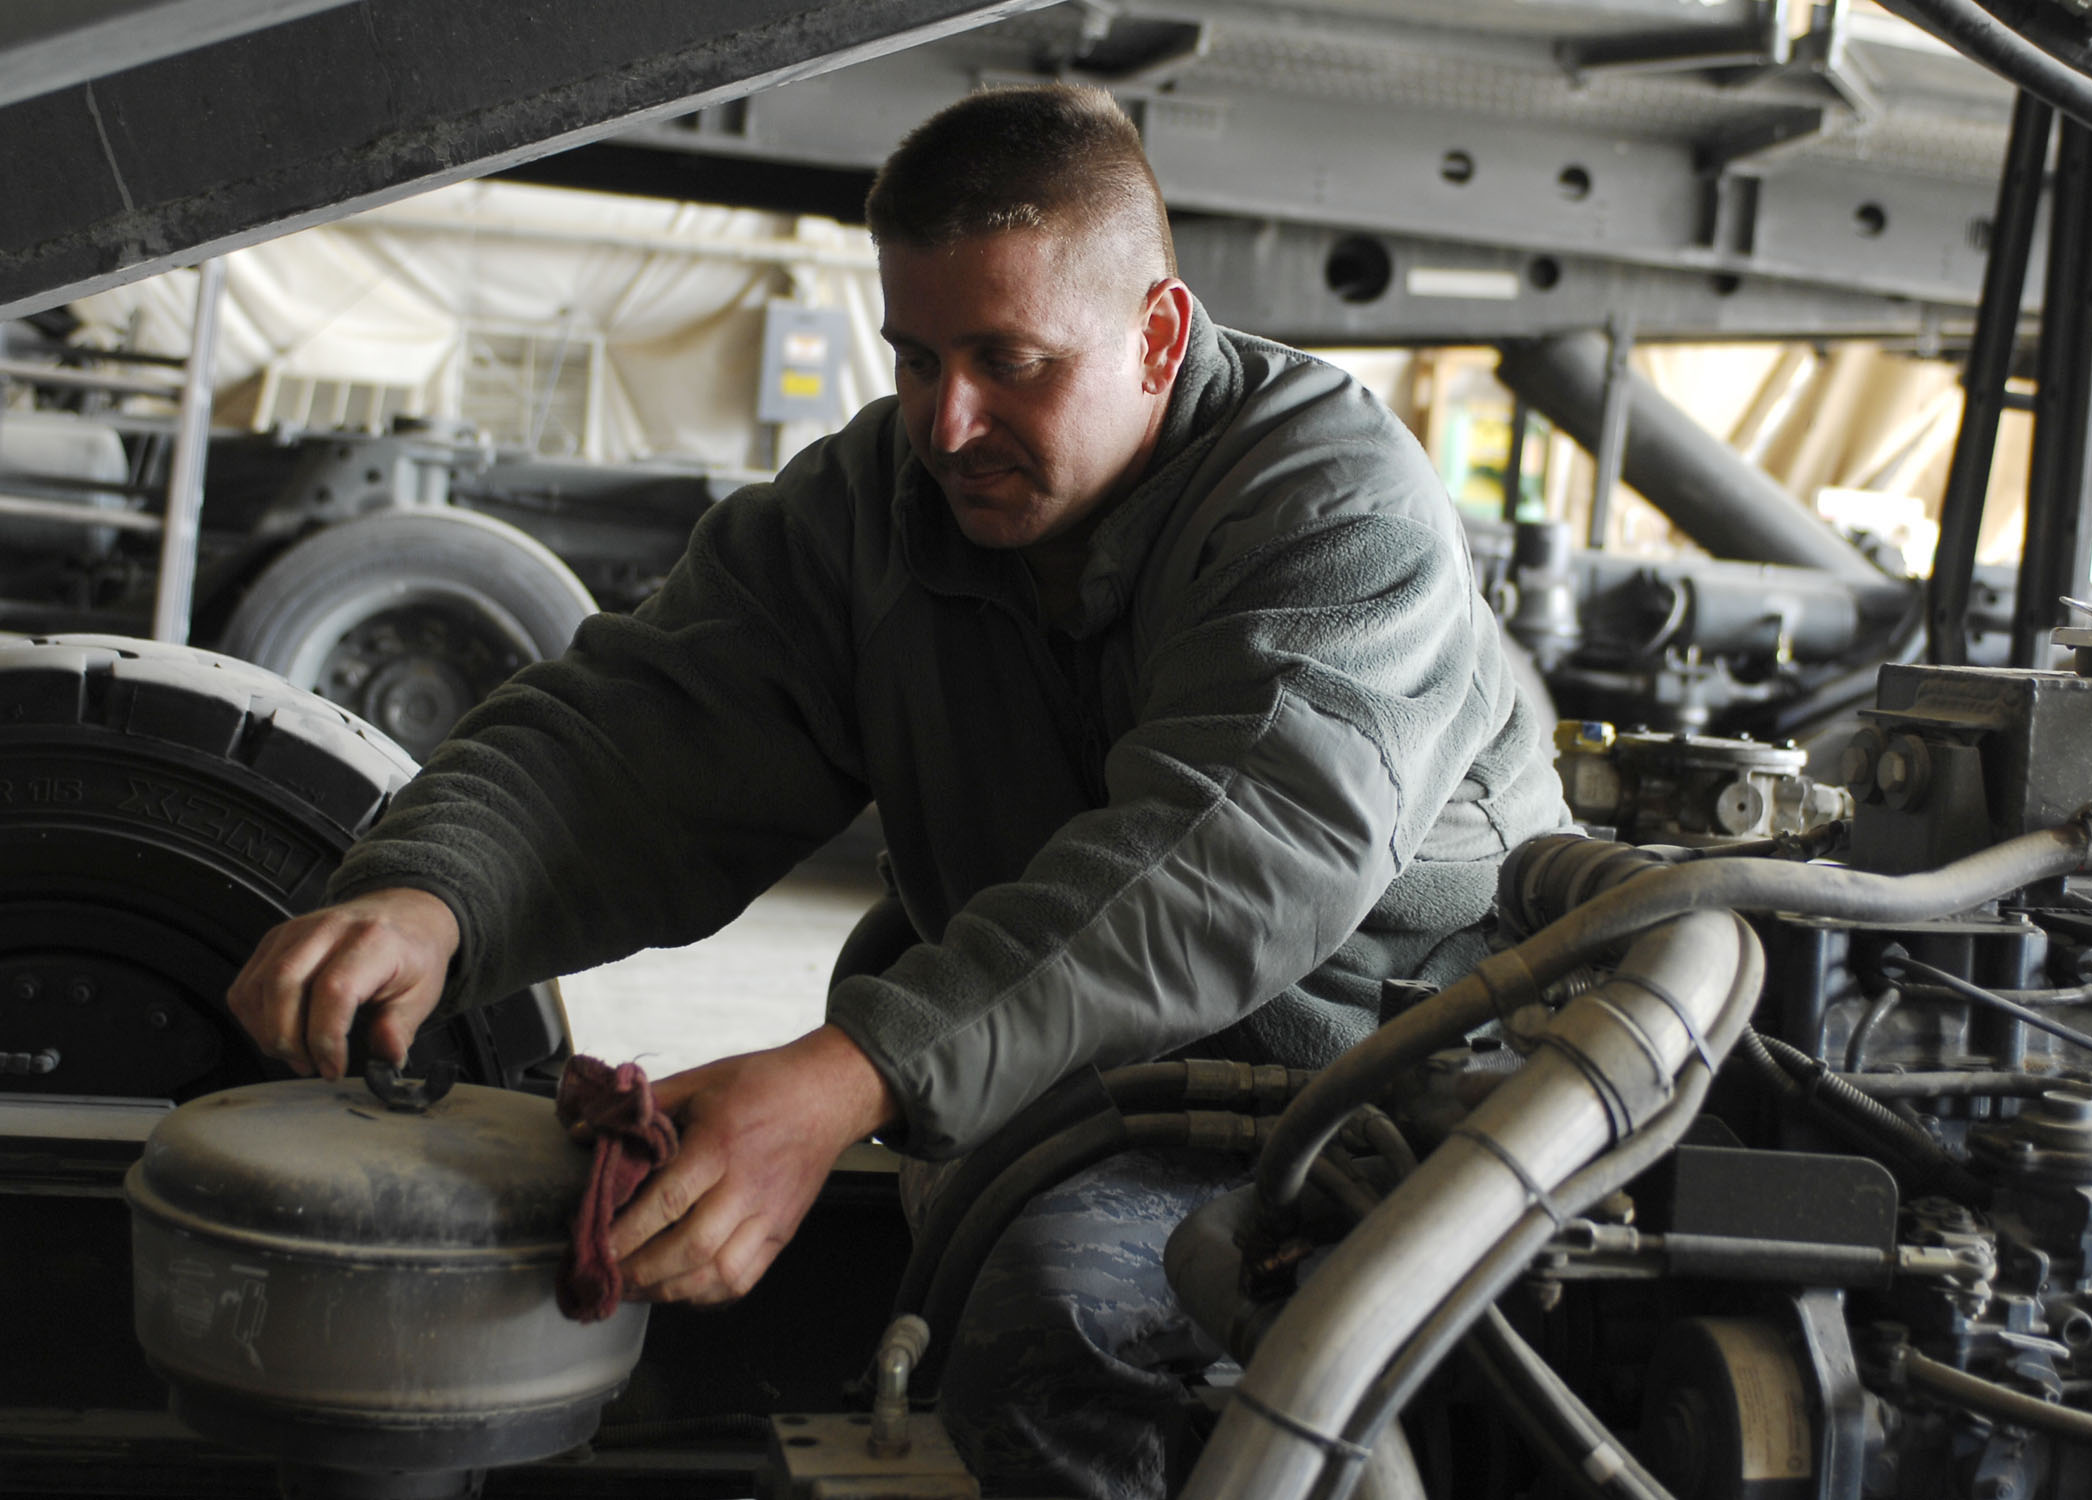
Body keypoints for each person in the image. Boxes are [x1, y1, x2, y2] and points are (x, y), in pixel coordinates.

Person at [227, 84, 1566, 1498]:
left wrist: (852, 1075)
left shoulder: (1337, 510)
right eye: (917, 360)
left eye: (1010, 361)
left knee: (1066, 1322)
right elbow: (644, 729)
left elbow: (1232, 852)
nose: (950, 422)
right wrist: (434, 891)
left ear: (1161, 337)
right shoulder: (876, 509)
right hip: (1072, 1088)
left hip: (1367, 1103)